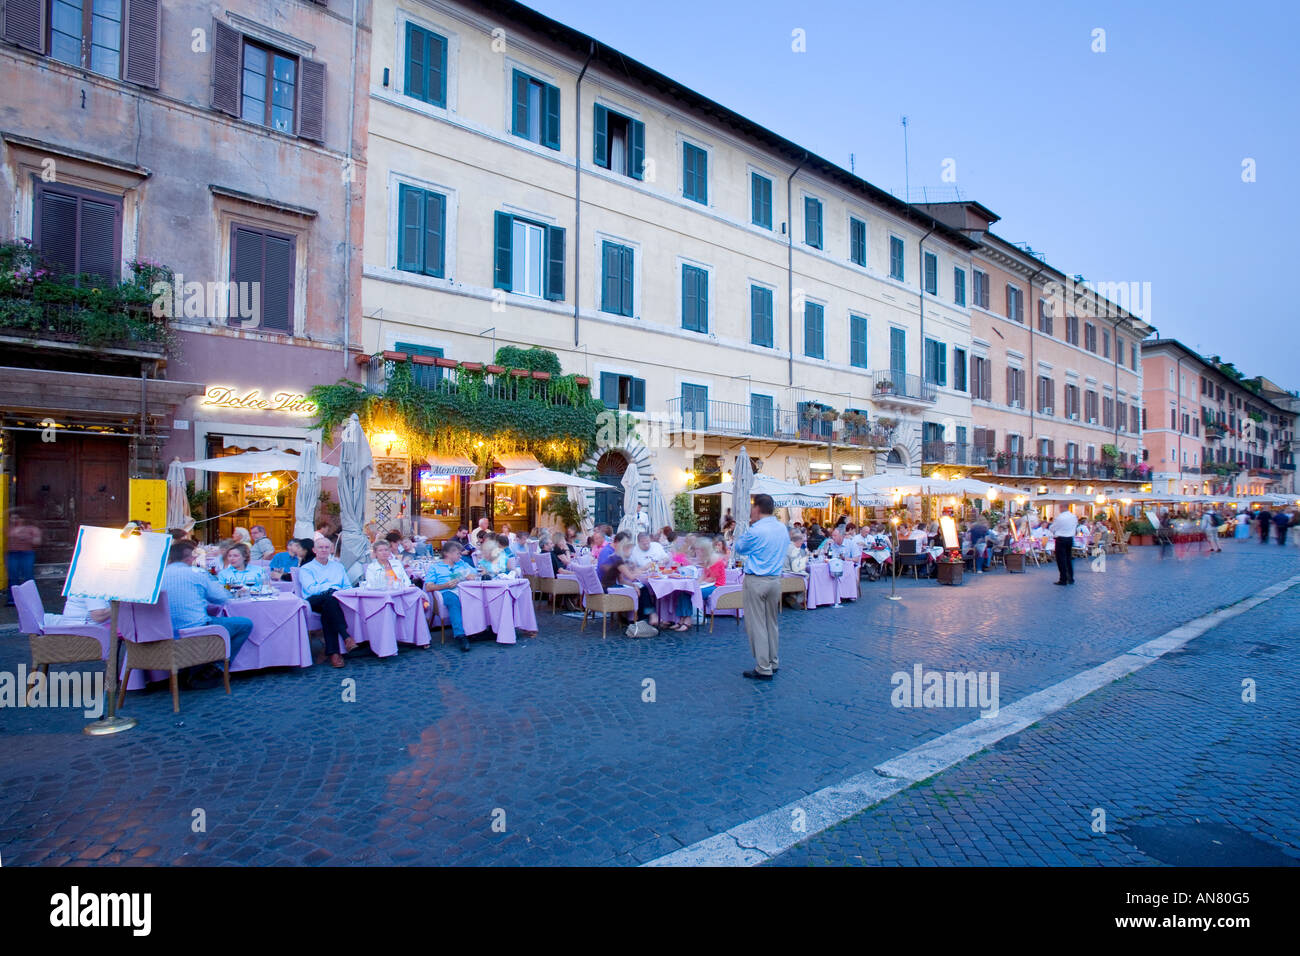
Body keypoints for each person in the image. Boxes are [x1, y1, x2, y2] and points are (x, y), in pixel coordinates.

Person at [160, 540, 254, 686]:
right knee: (245, 624)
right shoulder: (196, 574)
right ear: (190, 558)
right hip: (195, 629)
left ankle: (190, 668)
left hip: (162, 632)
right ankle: (216, 668)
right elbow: (221, 598)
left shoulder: (157, 576)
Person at [732, 493, 786, 681]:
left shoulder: (755, 530)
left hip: (756, 580)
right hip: (775, 580)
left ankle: (763, 667)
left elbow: (739, 547)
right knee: (772, 622)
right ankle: (773, 661)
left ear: (756, 508)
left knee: (757, 625)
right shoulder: (782, 529)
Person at [298, 536, 354, 668]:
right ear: (314, 550)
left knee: (329, 604)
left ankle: (333, 652)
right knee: (329, 598)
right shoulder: (307, 568)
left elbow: (347, 586)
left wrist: (333, 591)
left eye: (326, 547)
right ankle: (345, 636)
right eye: (320, 547)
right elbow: (311, 589)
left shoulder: (338, 566)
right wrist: (331, 588)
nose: (324, 550)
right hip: (314, 601)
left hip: (333, 601)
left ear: (331, 549)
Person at [598, 535, 661, 631]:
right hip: (609, 591)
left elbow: (622, 580)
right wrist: (644, 569)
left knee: (640, 588)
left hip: (606, 588)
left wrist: (633, 585)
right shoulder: (618, 559)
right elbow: (630, 576)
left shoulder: (614, 557)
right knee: (643, 589)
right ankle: (646, 617)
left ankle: (642, 618)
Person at [424, 541, 475, 652]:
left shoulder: (462, 563)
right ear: (448, 554)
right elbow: (428, 587)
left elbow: (476, 573)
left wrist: (471, 576)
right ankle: (460, 635)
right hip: (446, 591)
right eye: (457, 553)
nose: (460, 556)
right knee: (453, 601)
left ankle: (475, 630)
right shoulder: (435, 567)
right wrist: (445, 585)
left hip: (464, 590)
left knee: (475, 598)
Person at [4, 508, 41, 606]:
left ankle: (31, 599)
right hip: (12, 554)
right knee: (12, 578)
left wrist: (28, 538)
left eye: (17, 518)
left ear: (23, 519)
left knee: (28, 577)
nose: (15, 520)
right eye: (12, 518)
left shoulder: (32, 529)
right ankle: (12, 599)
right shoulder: (9, 528)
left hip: (27, 554)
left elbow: (37, 542)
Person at [1049, 506, 1078, 585]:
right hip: (1070, 539)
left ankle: (1063, 579)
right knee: (1068, 558)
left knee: (1061, 560)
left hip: (1061, 539)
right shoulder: (1073, 517)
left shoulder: (1060, 517)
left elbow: (1052, 528)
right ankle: (1070, 578)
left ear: (1062, 508)